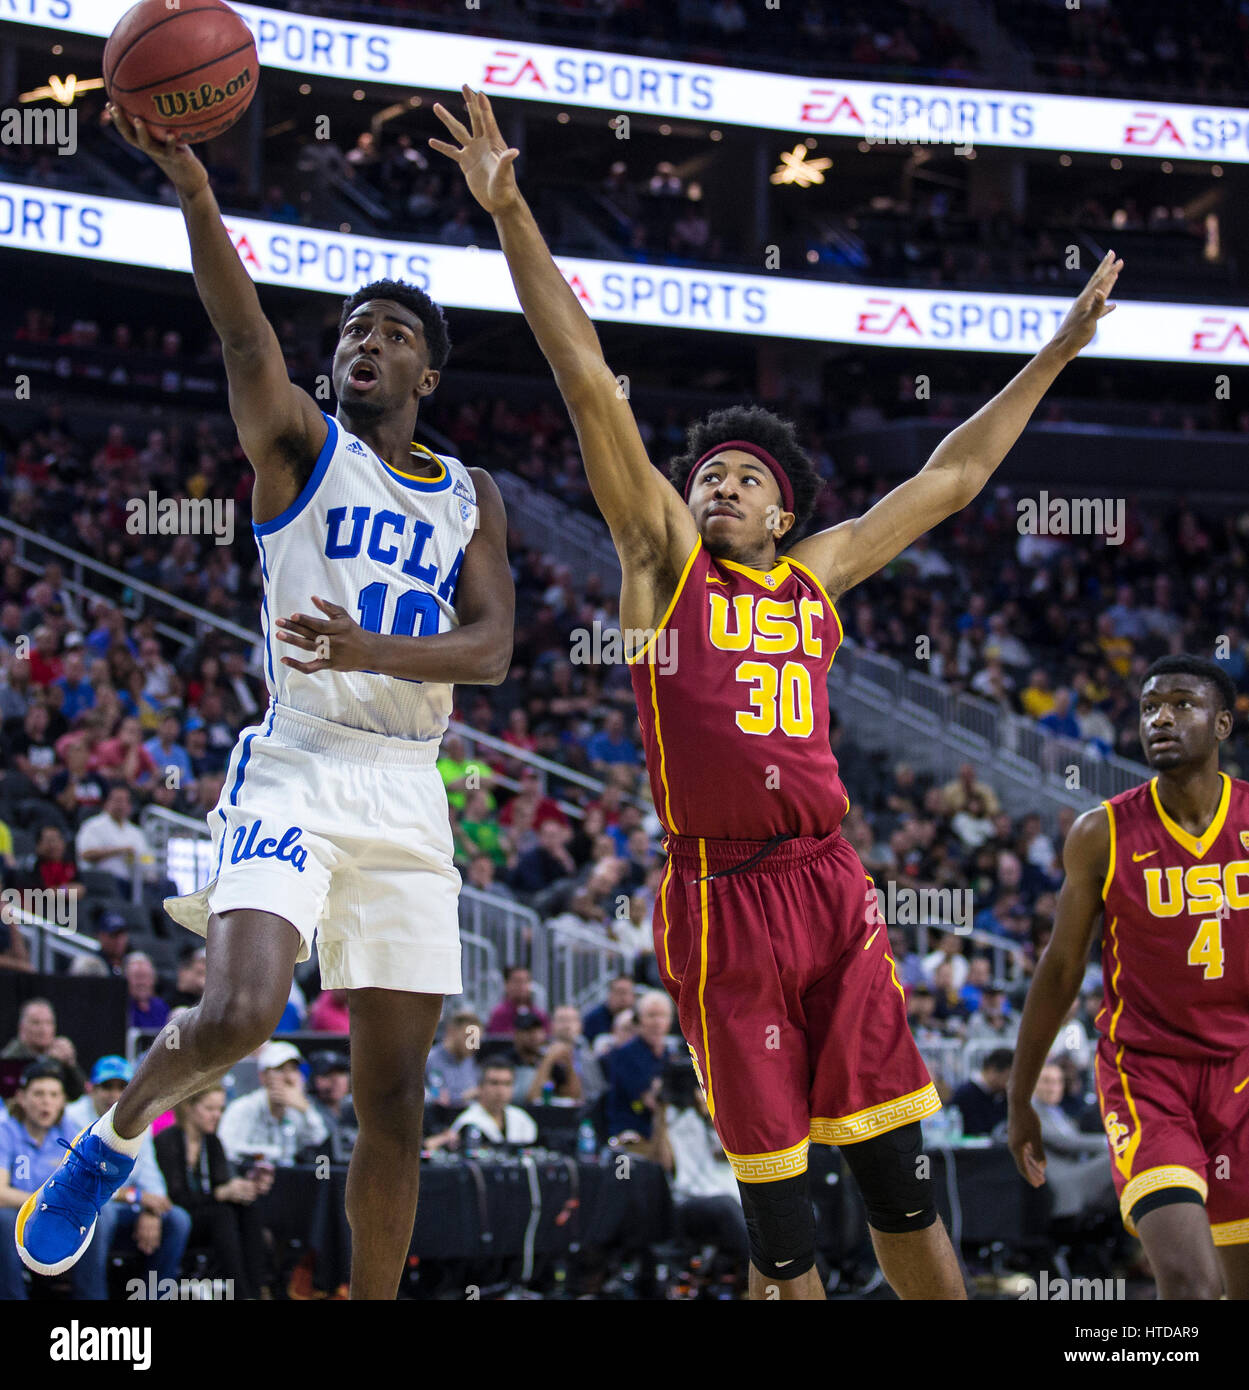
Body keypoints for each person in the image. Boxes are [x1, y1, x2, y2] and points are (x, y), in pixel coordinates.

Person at [433, 84, 1123, 1299]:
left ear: (786, 510)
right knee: (782, 1222)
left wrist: (1057, 348)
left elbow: (951, 474)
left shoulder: (814, 578)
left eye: (745, 477)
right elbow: (589, 378)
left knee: (899, 1178)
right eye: (708, 474)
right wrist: (512, 215)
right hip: (718, 901)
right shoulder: (662, 564)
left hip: (830, 885)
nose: (720, 487)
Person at [19, 104, 515, 1301]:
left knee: (395, 1097)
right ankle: (117, 1129)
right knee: (241, 1014)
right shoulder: (298, 444)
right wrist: (193, 190)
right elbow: (244, 340)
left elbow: (492, 650)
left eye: (392, 334)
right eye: (351, 330)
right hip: (296, 759)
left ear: (425, 371)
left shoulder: (472, 495)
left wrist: (375, 645)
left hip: (408, 785)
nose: (365, 345)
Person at [1008, 655, 1249, 1299]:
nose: (1161, 718)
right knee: (1192, 1287)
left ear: (1223, 723)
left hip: (1243, 1069)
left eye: (1181, 704)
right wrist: (1019, 1094)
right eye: (1148, 708)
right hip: (1148, 1075)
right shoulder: (1101, 832)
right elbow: (1061, 970)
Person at [63, 1055, 191, 1301]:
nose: (114, 1095)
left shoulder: (140, 1116)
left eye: (122, 1087)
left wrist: (152, 1211)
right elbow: (84, 1181)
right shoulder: (72, 1117)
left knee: (177, 1220)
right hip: (82, 1207)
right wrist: (140, 1198)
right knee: (102, 1215)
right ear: (91, 1089)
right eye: (106, 1087)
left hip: (125, 1205)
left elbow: (150, 1173)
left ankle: (153, 1297)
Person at [154, 1086, 270, 1301]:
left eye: (220, 1109)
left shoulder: (212, 1142)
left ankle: (257, 1289)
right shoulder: (166, 1141)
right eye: (210, 1109)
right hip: (180, 1219)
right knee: (221, 1215)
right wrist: (220, 1193)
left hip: (208, 1217)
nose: (217, 1115)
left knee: (249, 1210)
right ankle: (242, 1295)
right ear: (188, 1107)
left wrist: (244, 1187)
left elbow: (222, 1184)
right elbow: (175, 1199)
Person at [1027, 1063, 1117, 1221]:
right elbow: (1065, 1142)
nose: (1052, 1087)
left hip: (1078, 1166)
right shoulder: (1029, 1113)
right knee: (1116, 1156)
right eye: (1046, 1081)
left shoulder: (1057, 1113)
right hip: (1063, 1176)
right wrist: (1109, 1142)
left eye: (1057, 1082)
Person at [217, 1042, 329, 1165]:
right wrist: (273, 1152)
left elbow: (319, 1143)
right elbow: (226, 1148)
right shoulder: (243, 1107)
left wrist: (306, 1109)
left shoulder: (300, 1108)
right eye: (280, 1070)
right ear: (263, 1076)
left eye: (293, 1069)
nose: (289, 1078)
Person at [434, 1059, 538, 1147]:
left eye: (507, 1084)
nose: (500, 1090)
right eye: (494, 1083)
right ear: (480, 1086)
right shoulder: (467, 1122)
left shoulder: (522, 1119)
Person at [950, 1048, 1013, 1137]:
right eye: (1008, 1077)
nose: (1010, 1083)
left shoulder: (1003, 1095)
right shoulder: (965, 1094)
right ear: (993, 1070)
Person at [424, 1010, 481, 1106]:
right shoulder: (429, 1060)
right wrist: (462, 1097)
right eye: (469, 1038)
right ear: (452, 1031)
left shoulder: (469, 1061)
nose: (474, 1045)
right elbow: (436, 1095)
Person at [485, 964, 548, 1033]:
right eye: (517, 981)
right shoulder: (499, 1015)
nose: (522, 986)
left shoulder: (539, 1014)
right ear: (506, 984)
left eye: (526, 981)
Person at [582, 973, 635, 1045]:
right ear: (610, 994)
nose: (623, 998)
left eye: (627, 992)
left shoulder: (639, 1018)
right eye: (619, 992)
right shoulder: (593, 1019)